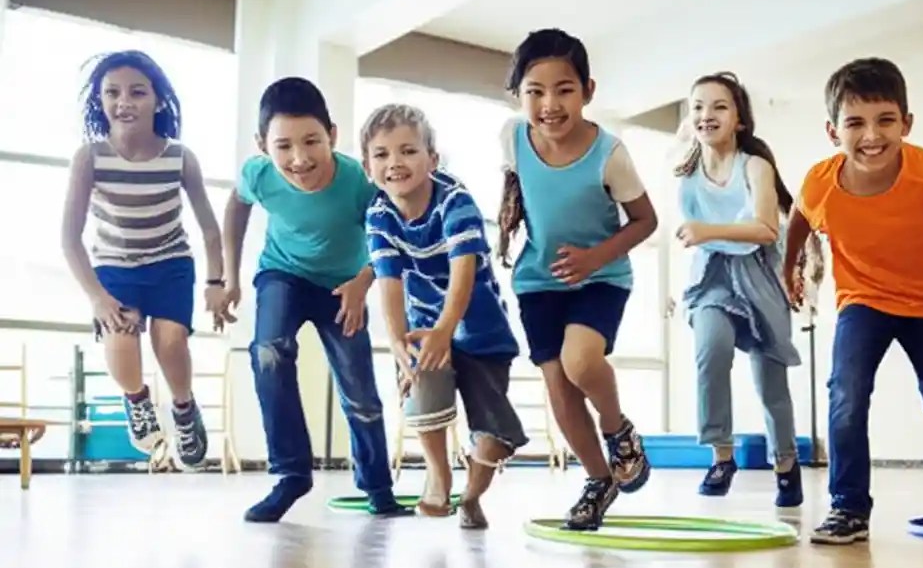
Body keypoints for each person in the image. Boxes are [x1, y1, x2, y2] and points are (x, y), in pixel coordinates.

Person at [782, 57, 923, 545]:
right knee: (847, 392)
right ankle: (848, 507)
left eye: (885, 120)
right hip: (864, 300)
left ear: (906, 123)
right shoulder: (820, 179)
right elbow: (799, 217)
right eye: (854, 123)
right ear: (832, 130)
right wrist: (789, 266)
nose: (871, 135)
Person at [210, 77, 409, 522]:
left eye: (311, 142)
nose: (299, 159)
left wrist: (363, 282)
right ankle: (291, 475)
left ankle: (378, 486)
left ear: (333, 136)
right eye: (283, 146)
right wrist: (228, 276)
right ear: (262, 144)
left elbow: (390, 236)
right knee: (268, 351)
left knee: (359, 392)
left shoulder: (359, 181)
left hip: (343, 286)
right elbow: (236, 207)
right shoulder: (258, 174)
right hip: (283, 273)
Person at [497, 28, 659, 531]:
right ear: (519, 94)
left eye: (564, 89)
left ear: (588, 91)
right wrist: (506, 224)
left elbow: (645, 221)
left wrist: (594, 258)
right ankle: (598, 480)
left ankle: (619, 431)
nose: (550, 104)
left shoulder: (610, 153)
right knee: (559, 390)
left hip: (601, 276)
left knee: (580, 361)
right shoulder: (511, 136)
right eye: (535, 91)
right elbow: (515, 181)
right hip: (537, 281)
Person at [362, 102, 529, 529]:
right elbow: (388, 281)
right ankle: (438, 474)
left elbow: (463, 275)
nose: (395, 163)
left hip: (482, 331)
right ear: (368, 167)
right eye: (381, 155)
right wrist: (399, 343)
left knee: (491, 437)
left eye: (408, 151)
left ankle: (471, 498)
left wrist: (444, 330)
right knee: (424, 387)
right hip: (425, 324)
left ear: (432, 160)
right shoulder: (379, 216)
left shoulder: (455, 202)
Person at [60, 50, 222, 469]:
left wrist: (216, 283)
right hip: (113, 265)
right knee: (121, 336)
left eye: (137, 92)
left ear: (158, 100)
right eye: (112, 93)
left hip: (170, 262)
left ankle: (184, 409)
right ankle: (137, 401)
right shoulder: (89, 158)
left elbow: (208, 227)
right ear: (100, 101)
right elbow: (69, 238)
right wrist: (96, 297)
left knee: (170, 340)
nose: (124, 102)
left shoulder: (179, 156)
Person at [672, 72, 803, 507]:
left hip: (759, 274)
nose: (706, 115)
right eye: (697, 107)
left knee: (770, 385)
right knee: (711, 351)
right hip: (712, 277)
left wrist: (706, 230)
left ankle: (785, 464)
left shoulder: (755, 166)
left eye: (719, 106)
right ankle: (721, 456)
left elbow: (766, 228)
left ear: (740, 120)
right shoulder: (687, 169)